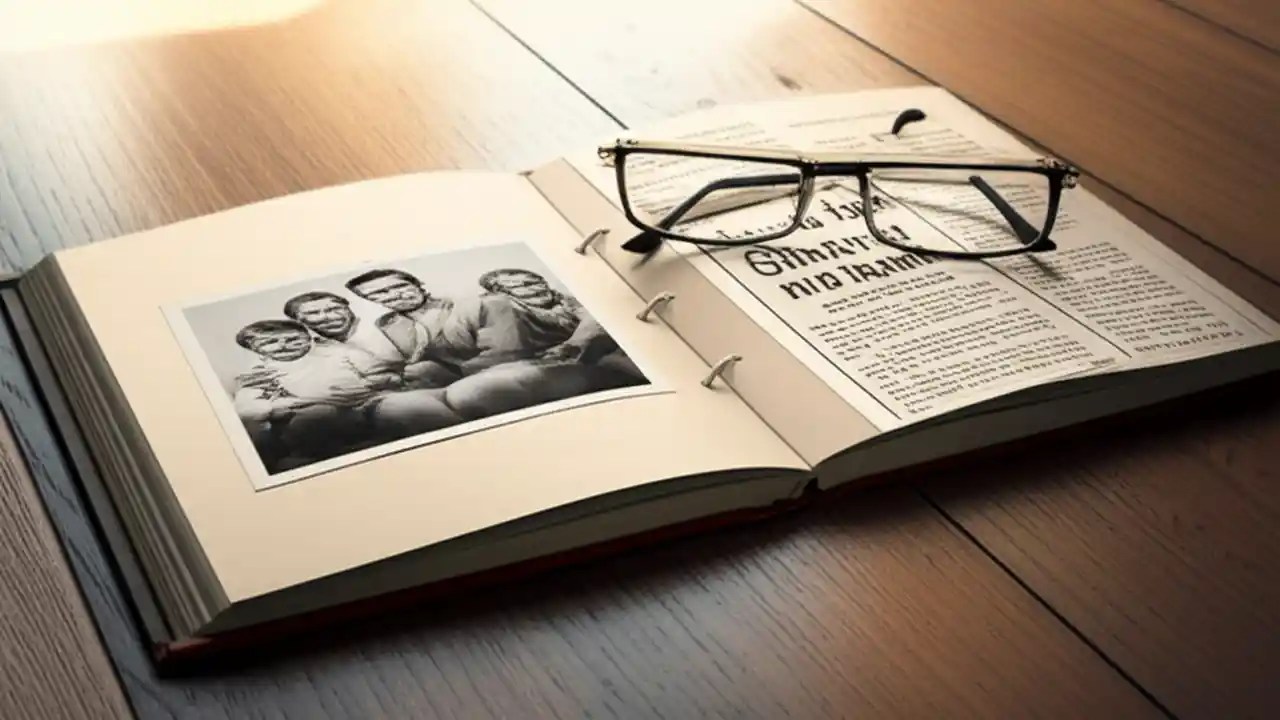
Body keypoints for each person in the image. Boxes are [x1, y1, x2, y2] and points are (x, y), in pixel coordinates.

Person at [346, 268, 646, 420]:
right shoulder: (390, 326)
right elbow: (411, 362)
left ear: (416, 284)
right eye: (381, 296)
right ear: (372, 302)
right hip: (464, 377)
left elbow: (508, 347)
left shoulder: (473, 303)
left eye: (397, 287)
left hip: (524, 365)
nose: (394, 297)